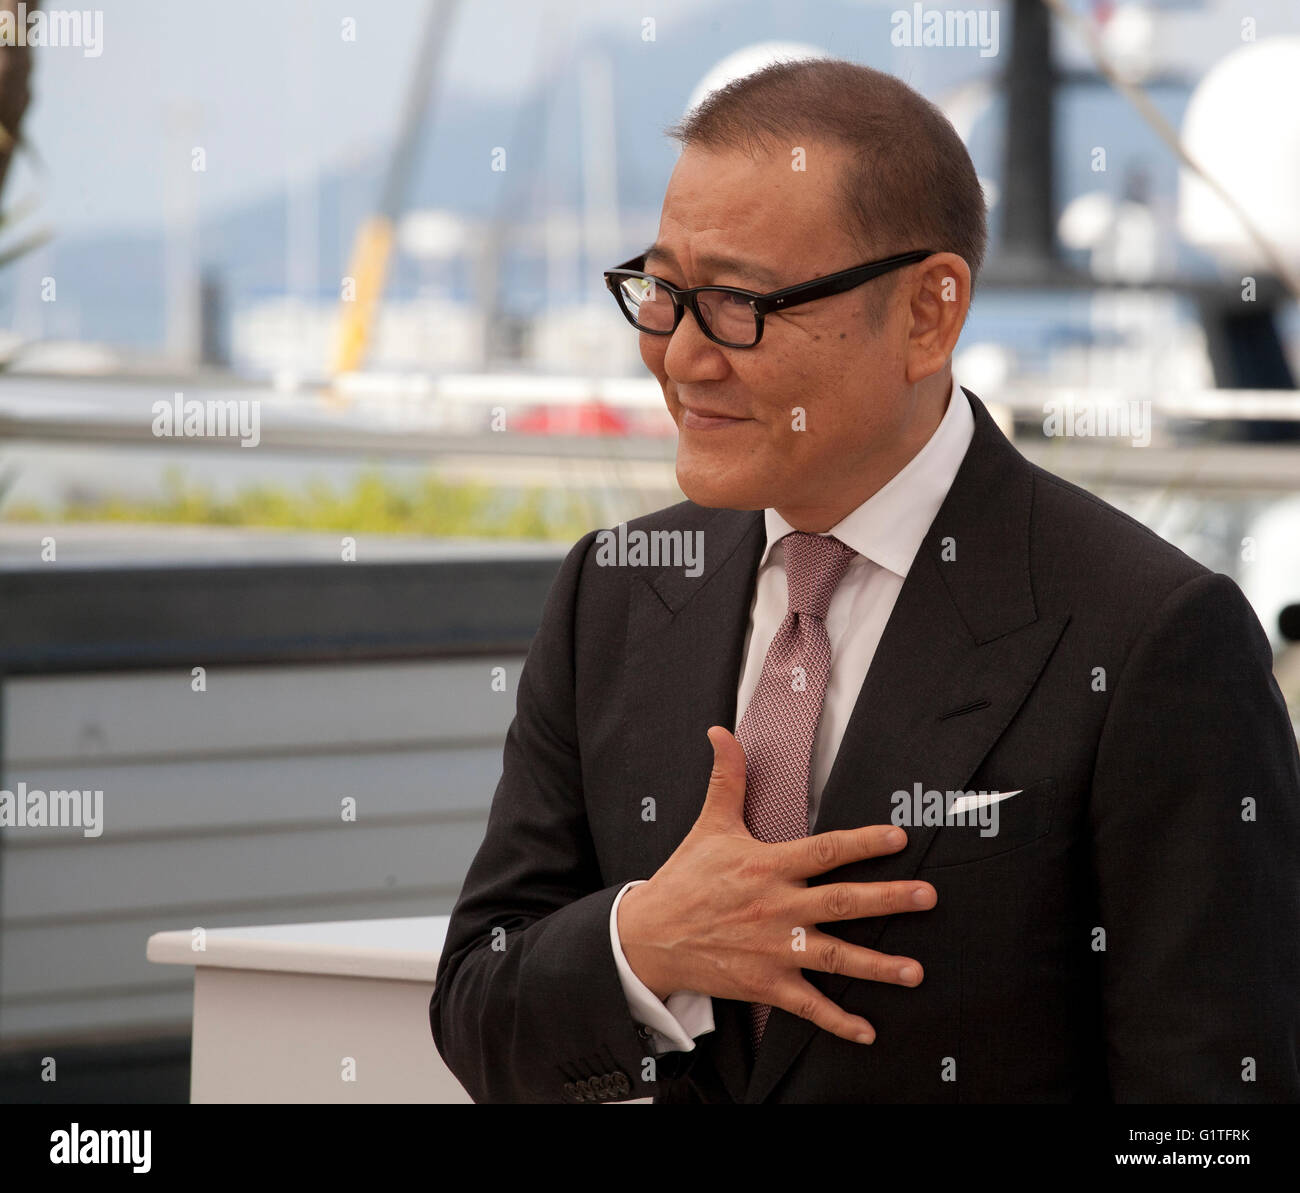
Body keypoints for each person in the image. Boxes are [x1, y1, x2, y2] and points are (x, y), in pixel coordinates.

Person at [429, 57, 1300, 1103]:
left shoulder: (1150, 634)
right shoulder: (613, 592)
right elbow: (476, 1006)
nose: (680, 357)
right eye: (662, 292)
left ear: (930, 313)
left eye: (740, 302)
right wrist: (644, 941)